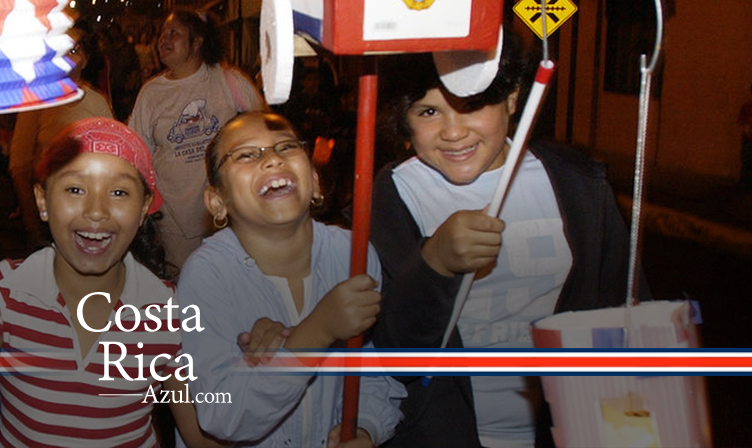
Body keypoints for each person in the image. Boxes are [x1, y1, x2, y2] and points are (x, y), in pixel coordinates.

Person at [370, 31, 642, 447]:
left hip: (573, 430)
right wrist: (434, 264)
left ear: (513, 97)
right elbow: (392, 351)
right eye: (428, 112)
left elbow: (627, 308)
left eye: (473, 106)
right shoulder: (392, 196)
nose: (453, 132)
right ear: (404, 119)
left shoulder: (579, 184)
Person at [0, 117, 222, 447]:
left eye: (118, 192)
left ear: (144, 208)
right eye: (75, 189)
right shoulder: (1, 291)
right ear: (42, 201)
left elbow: (200, 435)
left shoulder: (170, 309)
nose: (96, 210)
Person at [177, 111, 404, 447]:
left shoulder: (354, 255)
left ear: (314, 179)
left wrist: (366, 427)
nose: (272, 160)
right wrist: (317, 332)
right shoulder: (208, 275)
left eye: (285, 147)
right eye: (246, 154)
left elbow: (372, 373)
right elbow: (222, 416)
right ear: (217, 202)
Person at [128, 10, 265, 268]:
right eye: (162, 34)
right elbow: (139, 155)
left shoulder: (229, 82)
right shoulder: (151, 93)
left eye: (174, 32)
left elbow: (265, 133)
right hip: (172, 222)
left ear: (198, 40)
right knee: (186, 293)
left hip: (227, 216)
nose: (163, 40)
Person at [10, 26, 114, 238]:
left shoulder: (97, 102)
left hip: (91, 211)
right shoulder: (36, 102)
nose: (66, 56)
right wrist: (33, 222)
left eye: (74, 50)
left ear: (85, 60)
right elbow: (19, 165)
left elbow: (114, 157)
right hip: (49, 212)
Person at [739, 82, 752, 186]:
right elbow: (744, 126)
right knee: (747, 160)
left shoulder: (747, 107)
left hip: (748, 141)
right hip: (748, 141)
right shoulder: (747, 107)